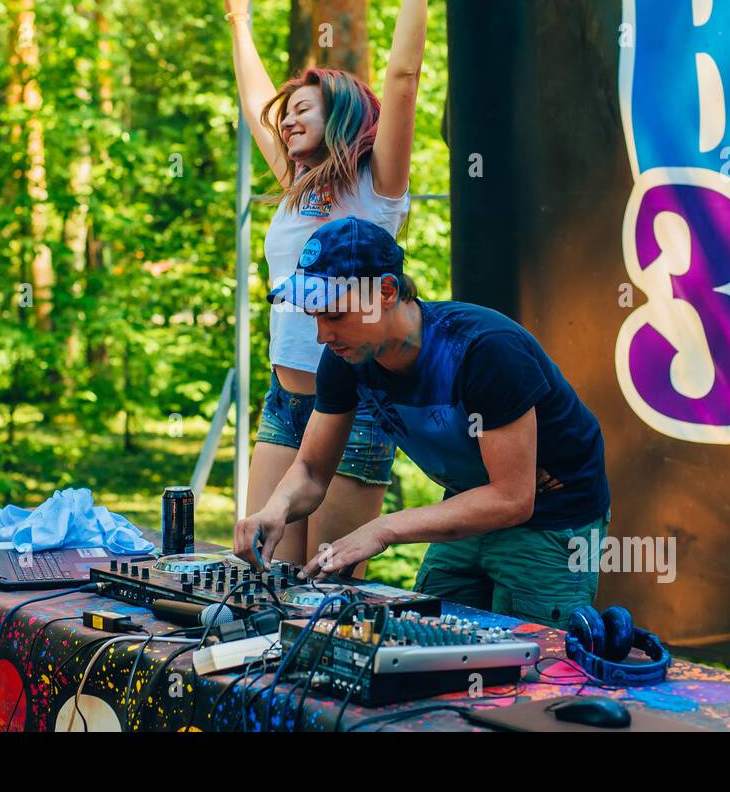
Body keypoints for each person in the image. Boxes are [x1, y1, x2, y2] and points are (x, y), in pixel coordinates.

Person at [215, 0, 455, 574]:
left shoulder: (377, 186)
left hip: (352, 405)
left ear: (342, 115)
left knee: (326, 589)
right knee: (263, 577)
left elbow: (403, 80)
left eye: (302, 111)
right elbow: (255, 107)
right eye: (284, 114)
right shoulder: (295, 185)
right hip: (283, 401)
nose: (286, 122)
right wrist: (239, 24)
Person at [234, 217, 612, 627]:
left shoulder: (485, 351)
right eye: (315, 316)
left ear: (386, 291)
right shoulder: (345, 359)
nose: (323, 334)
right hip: (472, 500)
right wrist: (276, 509)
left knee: (533, 668)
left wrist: (381, 529)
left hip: (555, 515)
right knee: (426, 641)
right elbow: (310, 470)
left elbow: (512, 499)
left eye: (336, 314)